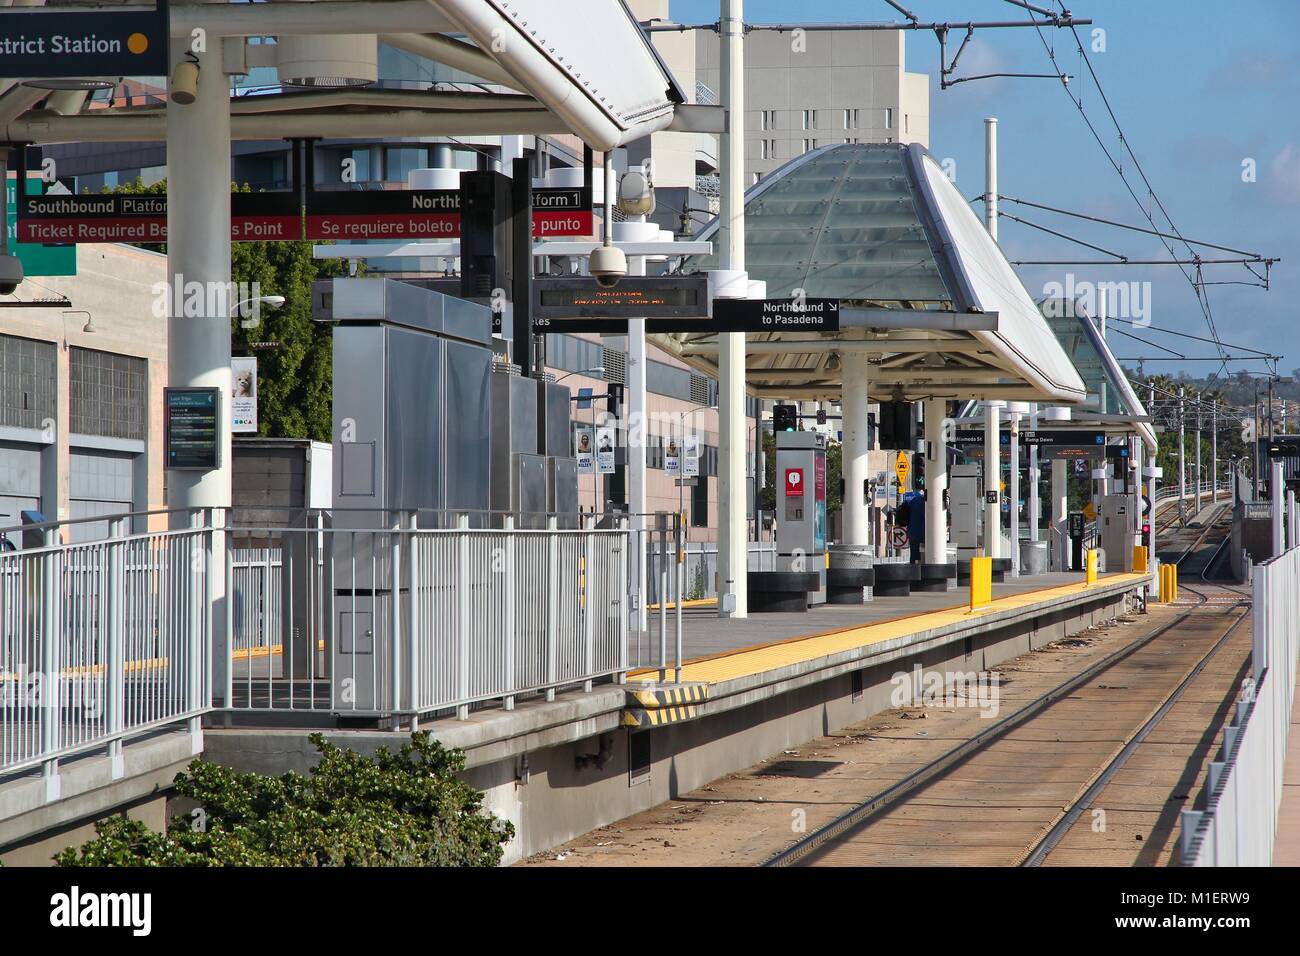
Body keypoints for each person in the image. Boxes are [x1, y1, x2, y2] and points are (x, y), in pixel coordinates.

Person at [901, 488, 926, 563]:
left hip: (913, 532)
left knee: (914, 554)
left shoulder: (915, 500)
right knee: (927, 555)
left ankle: (913, 570)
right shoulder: (929, 502)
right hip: (925, 533)